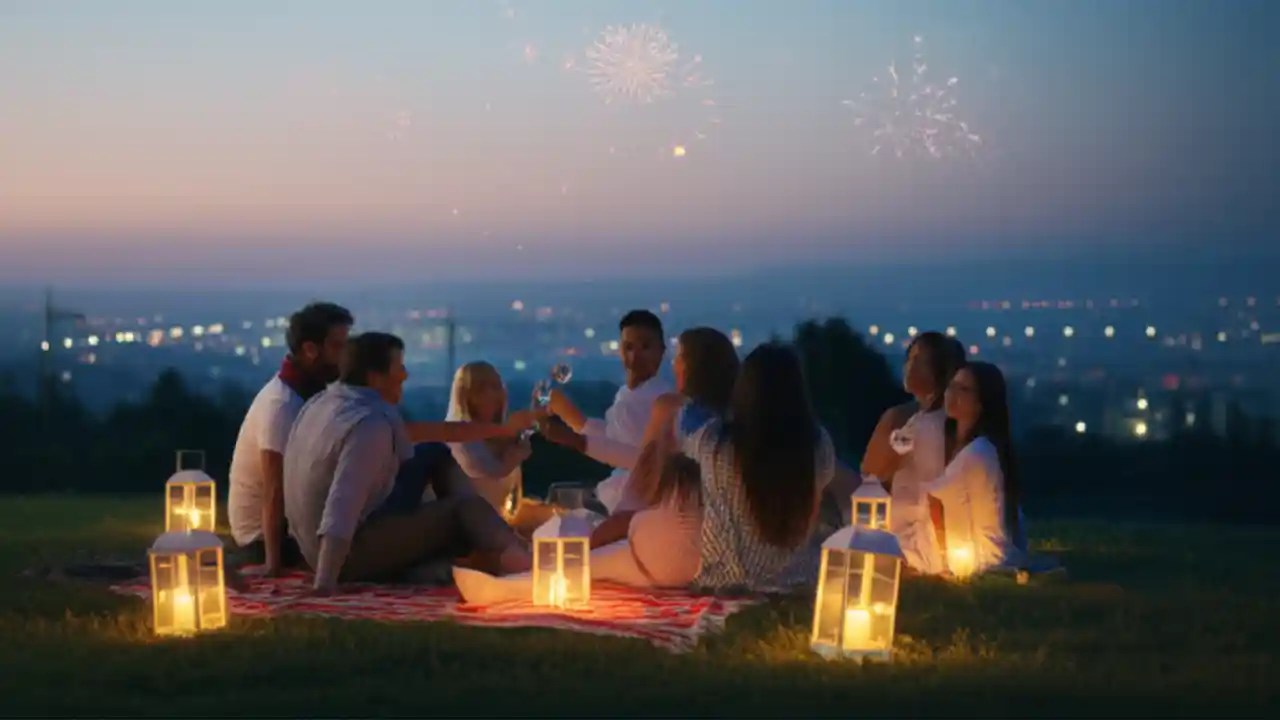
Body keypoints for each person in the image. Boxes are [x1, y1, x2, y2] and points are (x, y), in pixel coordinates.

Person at [283, 333, 534, 594]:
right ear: (375, 377)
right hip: (343, 554)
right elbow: (341, 508)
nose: (405, 375)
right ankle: (523, 565)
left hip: (312, 544)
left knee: (432, 453)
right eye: (399, 367)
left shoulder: (326, 404)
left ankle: (484, 545)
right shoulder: (370, 427)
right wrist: (325, 583)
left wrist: (503, 431)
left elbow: (437, 433)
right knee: (464, 508)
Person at [684, 343, 836, 592]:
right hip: (796, 573)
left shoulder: (713, 441)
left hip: (725, 574)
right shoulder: (818, 444)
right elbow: (811, 513)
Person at [228, 302, 353, 575]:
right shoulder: (282, 406)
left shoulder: (307, 394)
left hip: (295, 527)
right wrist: (272, 565)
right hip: (265, 541)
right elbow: (274, 490)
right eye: (337, 346)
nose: (345, 355)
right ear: (310, 350)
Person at [589, 326, 739, 549]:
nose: (673, 364)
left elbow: (641, 485)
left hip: (670, 542)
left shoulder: (672, 410)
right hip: (720, 545)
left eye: (679, 358)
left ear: (690, 368)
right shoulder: (735, 421)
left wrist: (600, 537)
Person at [541, 309, 673, 513]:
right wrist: (572, 418)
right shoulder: (629, 393)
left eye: (645, 347)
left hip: (635, 505)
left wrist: (576, 440)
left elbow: (640, 460)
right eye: (628, 347)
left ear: (661, 351)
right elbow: (615, 438)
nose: (635, 356)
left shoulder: (661, 401)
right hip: (617, 494)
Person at [860, 332, 966, 574]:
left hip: (912, 536)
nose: (908, 365)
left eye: (918, 359)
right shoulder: (963, 421)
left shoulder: (905, 420)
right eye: (909, 357)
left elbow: (871, 474)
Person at [925, 361, 1023, 576]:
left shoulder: (977, 452)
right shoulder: (972, 447)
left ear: (981, 402)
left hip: (985, 566)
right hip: (981, 563)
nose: (952, 394)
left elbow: (930, 497)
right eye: (952, 386)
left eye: (964, 389)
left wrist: (941, 558)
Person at [442, 361, 531, 513]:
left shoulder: (504, 441)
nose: (501, 393)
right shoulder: (459, 440)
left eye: (499, 385)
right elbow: (488, 486)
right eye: (492, 387)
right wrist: (514, 456)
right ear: (470, 396)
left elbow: (511, 504)